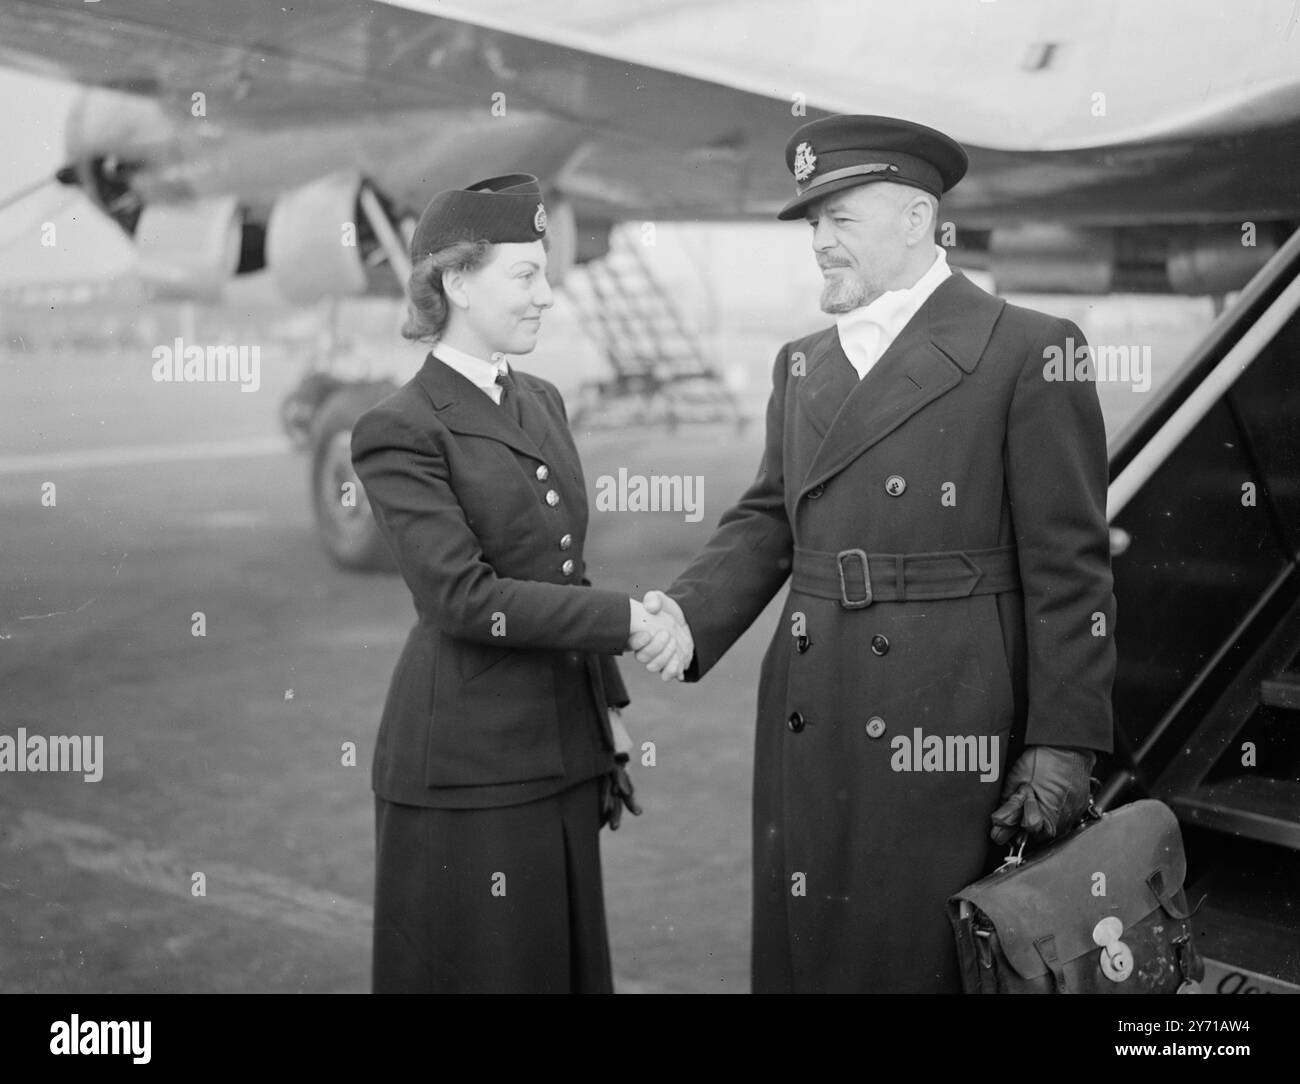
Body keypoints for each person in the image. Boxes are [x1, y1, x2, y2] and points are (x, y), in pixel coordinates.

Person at [635, 116, 1117, 993]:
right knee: (810, 938)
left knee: (918, 953)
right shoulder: (802, 363)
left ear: (917, 219)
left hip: (947, 713)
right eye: (812, 222)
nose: (819, 242)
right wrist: (688, 611)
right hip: (813, 699)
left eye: (840, 219)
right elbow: (768, 519)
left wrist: (1064, 743)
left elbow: (1072, 568)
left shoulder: (1030, 350)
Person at [350, 173, 677, 993]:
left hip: (564, 750)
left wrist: (606, 711)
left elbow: (564, 566)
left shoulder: (540, 399)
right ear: (457, 282)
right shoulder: (400, 428)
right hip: (471, 766)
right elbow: (463, 599)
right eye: (525, 275)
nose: (546, 297)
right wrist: (627, 622)